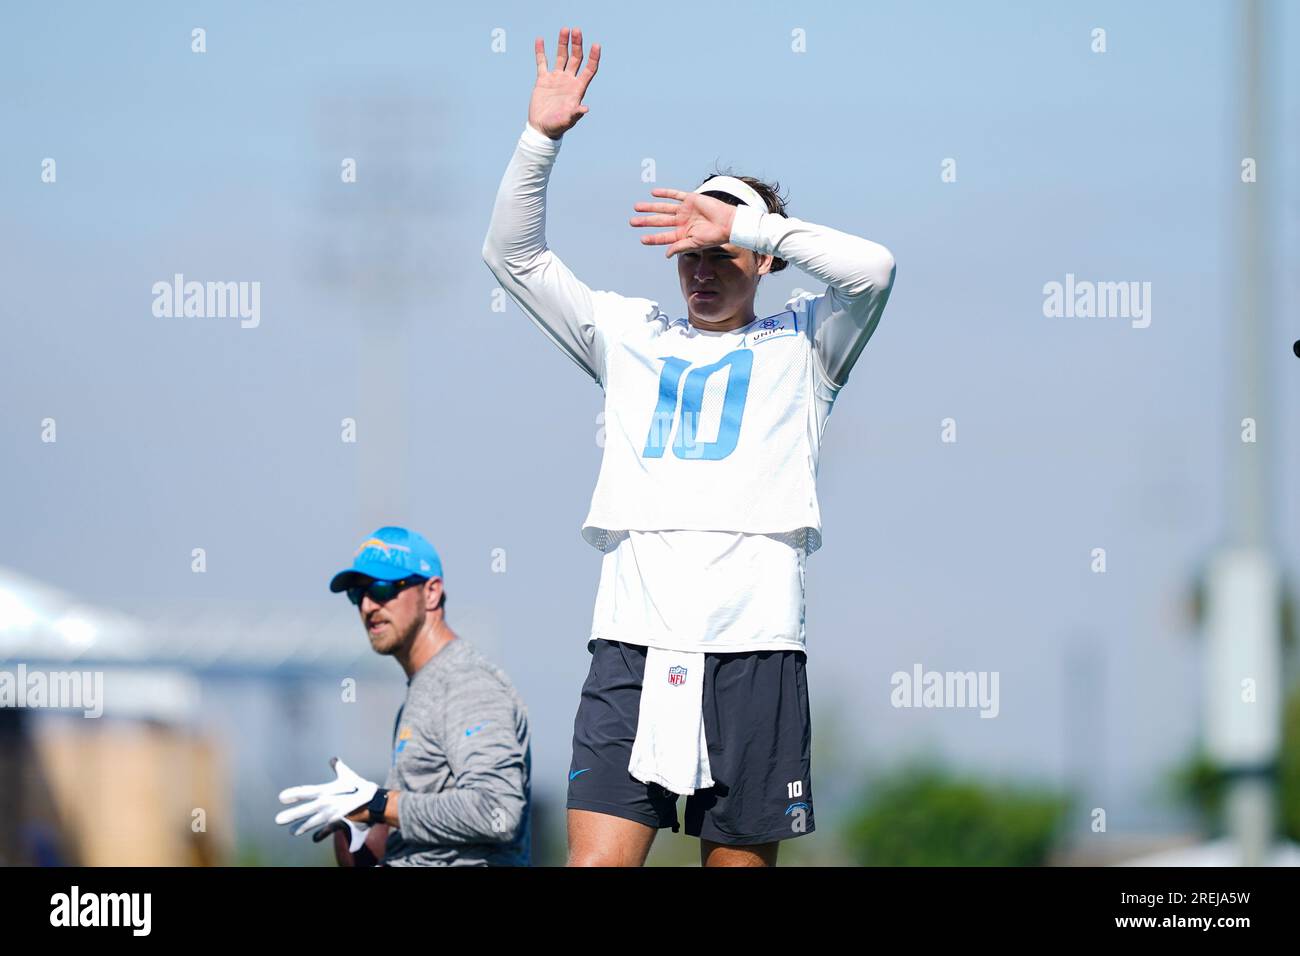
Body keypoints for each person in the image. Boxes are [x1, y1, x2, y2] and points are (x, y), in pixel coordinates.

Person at [481, 27, 897, 867]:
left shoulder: (807, 344)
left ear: (766, 257)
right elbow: (512, 256)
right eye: (688, 254)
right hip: (632, 645)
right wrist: (540, 141)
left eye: (721, 253)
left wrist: (755, 222)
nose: (700, 271)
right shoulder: (630, 335)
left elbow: (875, 270)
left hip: (756, 650)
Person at [274, 526, 532, 866]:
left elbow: (497, 810)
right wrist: (361, 824)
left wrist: (378, 804)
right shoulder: (421, 689)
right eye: (357, 593)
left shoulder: (467, 683)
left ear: (431, 592)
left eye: (382, 587)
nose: (367, 605)